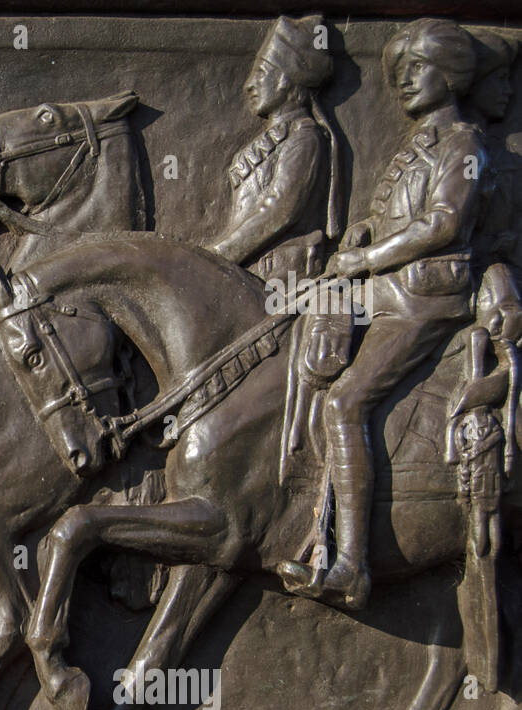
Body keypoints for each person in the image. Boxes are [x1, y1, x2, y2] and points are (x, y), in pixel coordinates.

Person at [278, 19, 485, 609]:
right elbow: (401, 218)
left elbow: (444, 223)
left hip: (426, 298)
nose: (403, 84)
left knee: (346, 402)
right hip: (391, 287)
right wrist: (367, 233)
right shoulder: (418, 145)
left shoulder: (462, 147)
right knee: (303, 324)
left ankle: (351, 565)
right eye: (396, 75)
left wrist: (367, 256)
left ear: (451, 74)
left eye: (417, 70)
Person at [208, 14, 340, 284]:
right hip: (249, 270)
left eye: (261, 73)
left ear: (285, 80)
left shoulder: (306, 138)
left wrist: (219, 257)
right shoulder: (277, 138)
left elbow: (280, 210)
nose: (250, 84)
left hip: (279, 280)